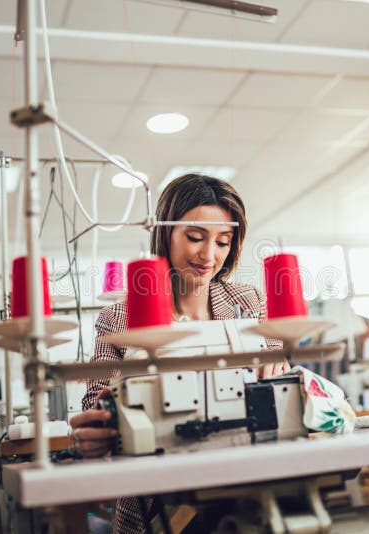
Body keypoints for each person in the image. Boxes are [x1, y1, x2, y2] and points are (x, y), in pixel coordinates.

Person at [70, 174, 287, 533]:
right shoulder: (119, 319)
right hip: (155, 504)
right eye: (195, 237)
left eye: (223, 241)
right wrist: (95, 433)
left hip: (244, 490)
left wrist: (280, 367)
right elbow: (96, 408)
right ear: (165, 235)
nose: (209, 255)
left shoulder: (249, 304)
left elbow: (281, 385)